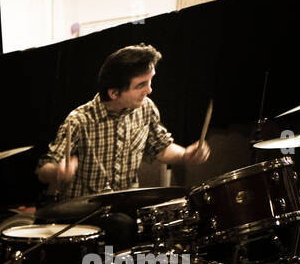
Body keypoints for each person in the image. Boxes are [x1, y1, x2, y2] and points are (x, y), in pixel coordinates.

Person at [35, 44, 211, 246]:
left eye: (150, 81)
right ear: (114, 93)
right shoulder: (79, 120)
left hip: (125, 206)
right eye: (141, 85)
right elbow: (44, 168)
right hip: (85, 214)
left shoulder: (145, 109)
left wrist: (185, 155)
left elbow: (161, 147)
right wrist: (57, 171)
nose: (149, 90)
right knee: (122, 227)